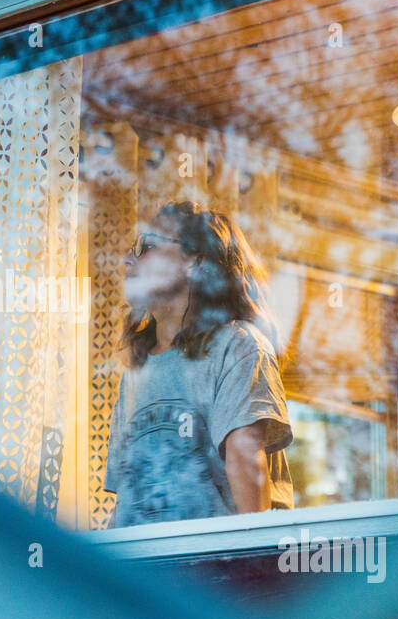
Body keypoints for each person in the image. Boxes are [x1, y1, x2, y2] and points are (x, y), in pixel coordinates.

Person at [103, 201, 293, 527]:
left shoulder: (238, 346)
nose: (127, 260)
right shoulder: (136, 373)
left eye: (148, 246)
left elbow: (245, 461)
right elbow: (127, 495)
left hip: (211, 571)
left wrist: (250, 569)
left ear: (195, 262)